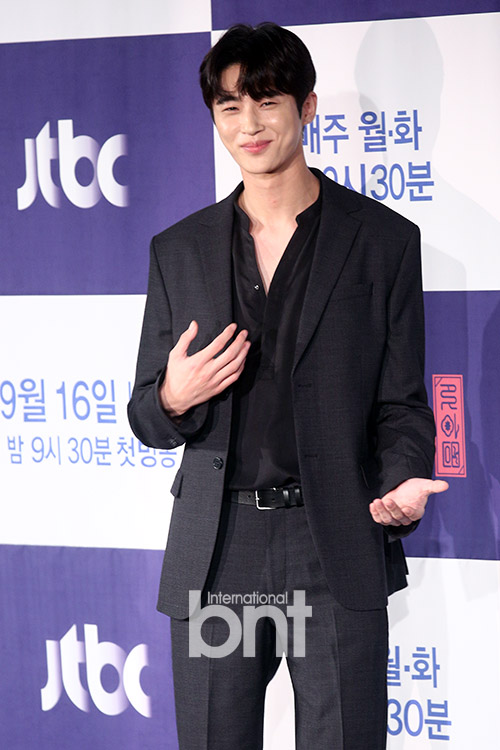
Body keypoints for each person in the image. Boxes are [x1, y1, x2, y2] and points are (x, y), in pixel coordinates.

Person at [128, 22, 447, 750]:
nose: (249, 124)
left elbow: (402, 402)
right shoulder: (178, 251)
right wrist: (173, 397)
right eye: (230, 106)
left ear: (306, 107)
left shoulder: (383, 241)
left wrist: (401, 478)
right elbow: (147, 413)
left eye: (267, 101)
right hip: (222, 551)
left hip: (333, 540)